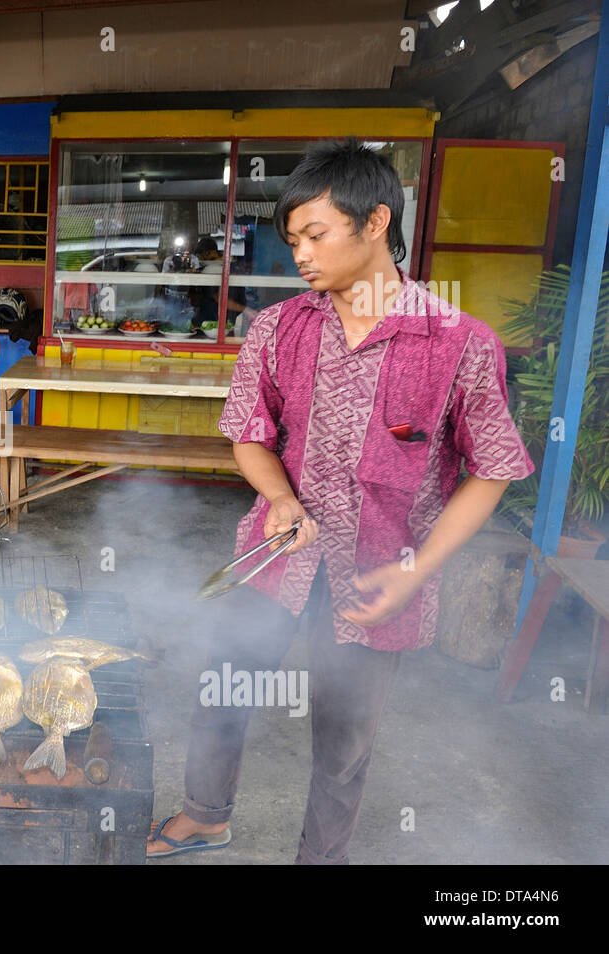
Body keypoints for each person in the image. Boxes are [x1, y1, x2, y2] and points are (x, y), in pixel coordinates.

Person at [147, 138, 534, 864]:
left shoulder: (460, 343)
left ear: (376, 221)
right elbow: (249, 435)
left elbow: (493, 470)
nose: (300, 254)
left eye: (315, 235)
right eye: (293, 239)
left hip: (378, 576)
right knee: (224, 687)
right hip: (275, 554)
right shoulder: (277, 328)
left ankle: (321, 860)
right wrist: (279, 497)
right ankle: (205, 815)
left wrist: (416, 574)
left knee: (345, 734)